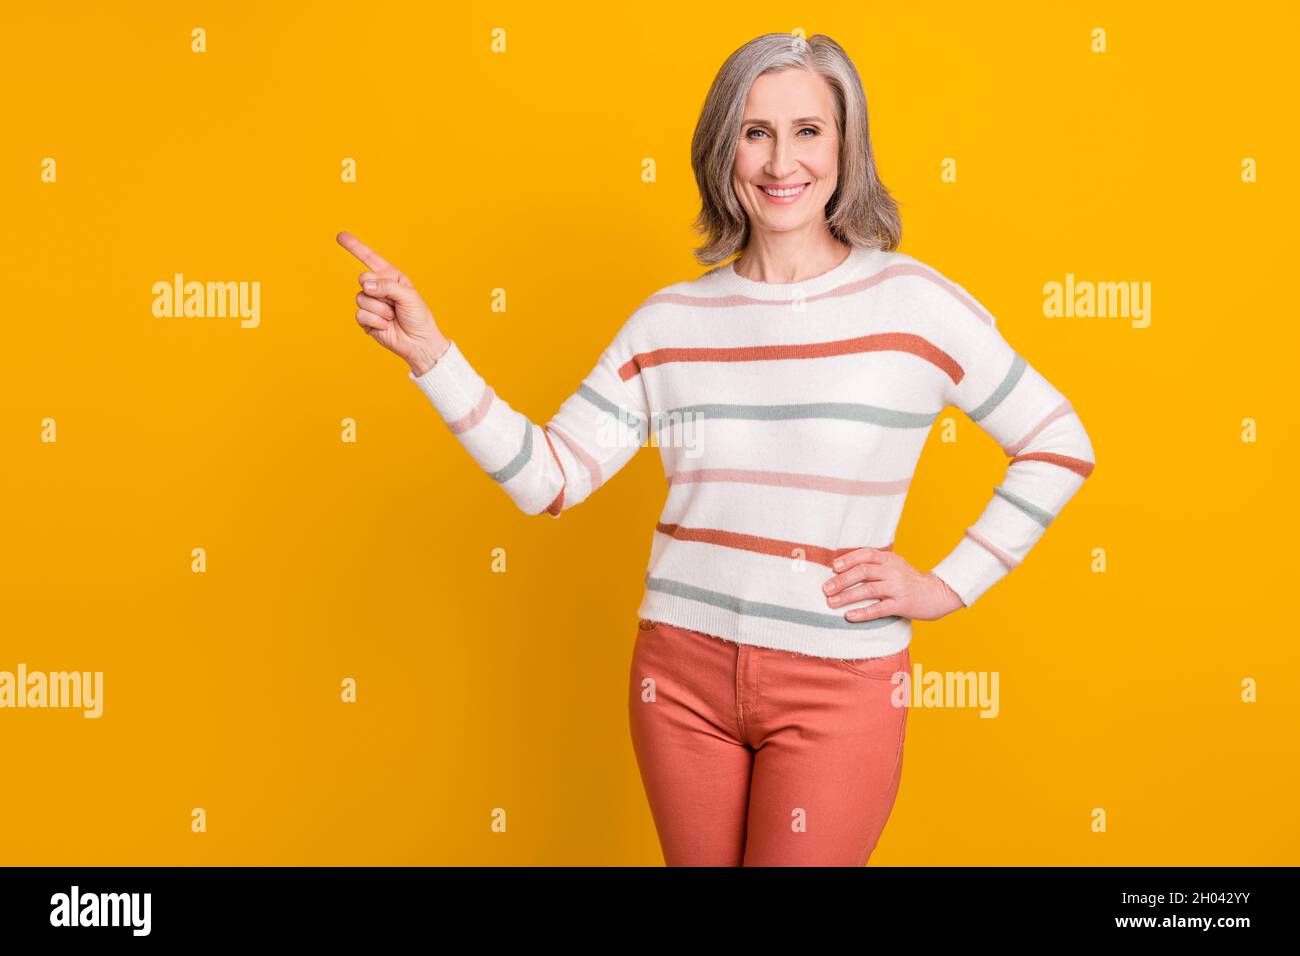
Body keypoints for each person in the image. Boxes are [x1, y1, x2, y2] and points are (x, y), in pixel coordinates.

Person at [335, 32, 1096, 866]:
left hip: (838, 683)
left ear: (847, 148)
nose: (781, 162)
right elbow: (547, 480)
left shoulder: (914, 305)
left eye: (808, 130)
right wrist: (431, 356)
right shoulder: (670, 322)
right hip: (678, 679)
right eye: (755, 131)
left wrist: (949, 584)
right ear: (722, 147)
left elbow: (1058, 442)